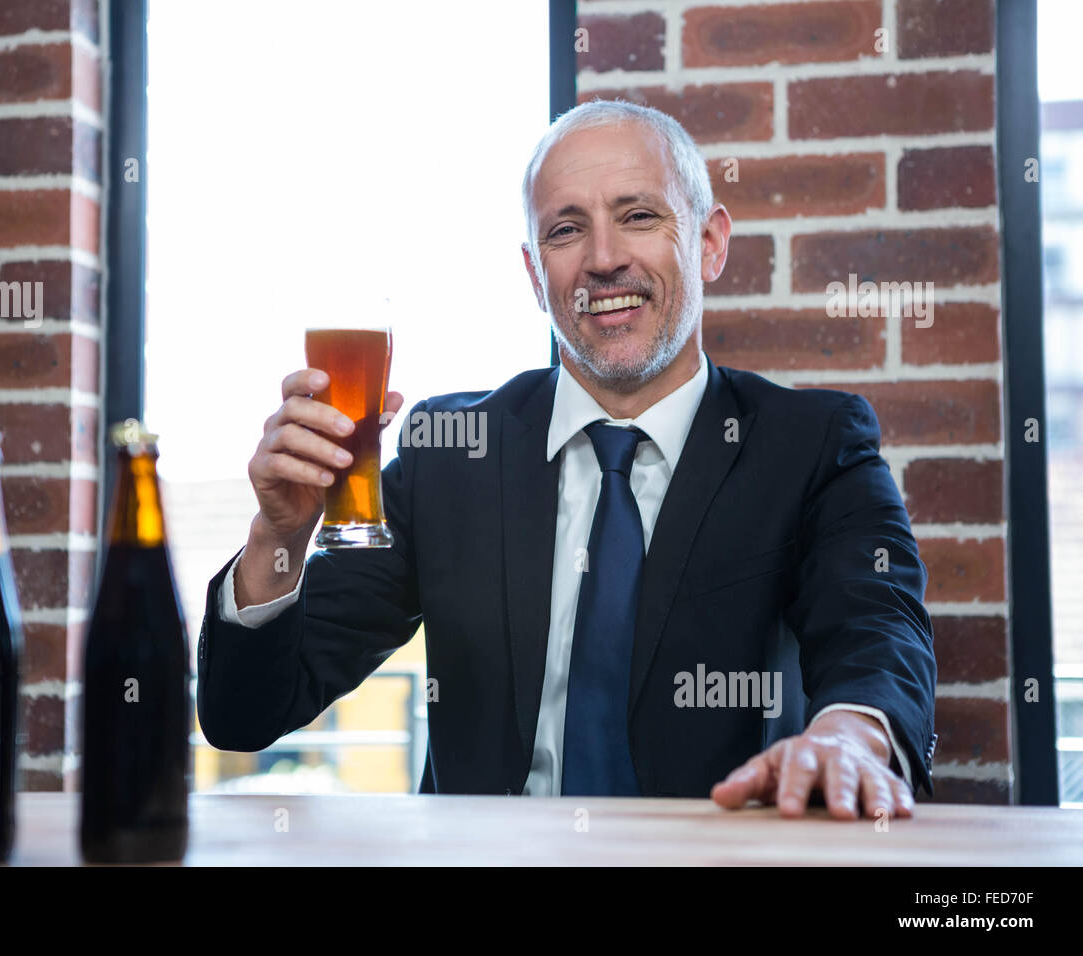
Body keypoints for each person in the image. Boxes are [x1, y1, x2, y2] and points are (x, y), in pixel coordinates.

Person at [197, 99, 937, 819]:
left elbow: (878, 628)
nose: (604, 259)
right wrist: (279, 540)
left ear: (710, 243)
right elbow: (245, 715)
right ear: (533, 275)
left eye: (638, 216)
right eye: (566, 230)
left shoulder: (810, 443)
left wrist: (853, 732)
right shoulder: (448, 456)